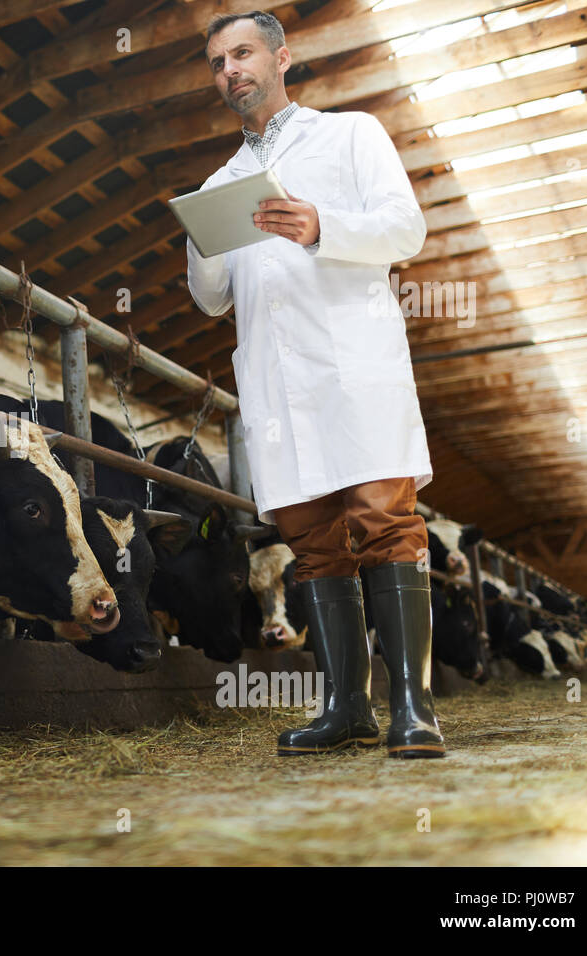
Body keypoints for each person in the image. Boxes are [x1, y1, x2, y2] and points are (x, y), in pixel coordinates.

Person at [186, 11, 443, 758]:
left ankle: (413, 708)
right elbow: (211, 298)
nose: (229, 69)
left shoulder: (351, 135)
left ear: (281, 57)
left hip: (354, 369)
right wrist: (199, 237)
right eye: (215, 62)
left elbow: (405, 229)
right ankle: (345, 709)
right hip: (276, 385)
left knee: (385, 521)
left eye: (241, 53)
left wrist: (323, 225)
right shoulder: (219, 184)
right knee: (315, 547)